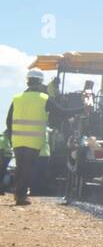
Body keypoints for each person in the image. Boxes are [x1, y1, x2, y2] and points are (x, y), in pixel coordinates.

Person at [5, 70, 56, 205]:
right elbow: (62, 112)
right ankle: (21, 196)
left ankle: (18, 194)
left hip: (18, 139)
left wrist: (11, 137)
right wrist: (82, 109)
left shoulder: (17, 98)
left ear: (27, 81)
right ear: (40, 82)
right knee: (28, 167)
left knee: (20, 167)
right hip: (33, 140)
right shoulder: (44, 98)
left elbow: (8, 120)